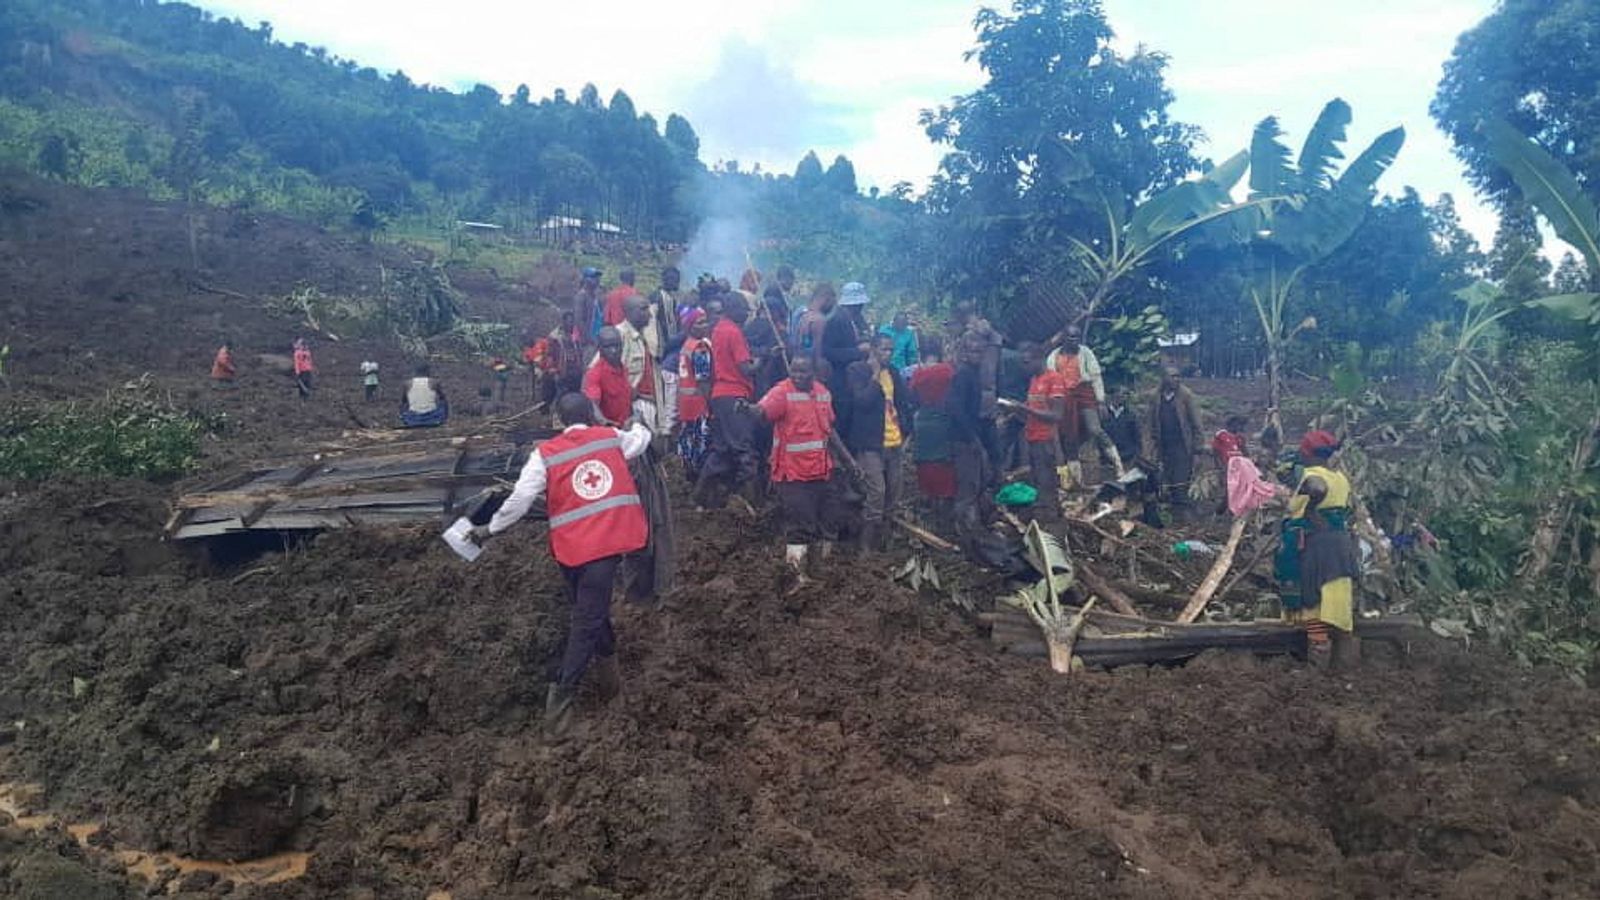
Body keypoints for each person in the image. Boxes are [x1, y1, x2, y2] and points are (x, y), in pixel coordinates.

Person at [472, 392, 651, 736]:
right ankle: (558, 716)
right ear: (593, 413)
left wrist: (490, 529)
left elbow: (521, 499)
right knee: (587, 622)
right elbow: (642, 440)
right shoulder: (610, 438)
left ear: (557, 420)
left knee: (592, 614)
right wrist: (636, 424)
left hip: (570, 551)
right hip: (604, 549)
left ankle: (611, 686)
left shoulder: (545, 454)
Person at [1275, 430, 1361, 667]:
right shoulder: (1340, 477)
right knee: (1337, 603)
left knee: (1312, 602)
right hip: (1339, 545)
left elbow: (1316, 488)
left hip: (1315, 546)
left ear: (1306, 452)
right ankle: (1346, 665)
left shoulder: (1310, 474)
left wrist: (1311, 508)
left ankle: (1317, 669)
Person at [757, 356, 841, 585]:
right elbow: (762, 412)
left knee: (829, 519)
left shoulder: (823, 392)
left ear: (813, 372)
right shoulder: (781, 392)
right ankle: (796, 576)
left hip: (821, 470)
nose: (798, 376)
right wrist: (749, 410)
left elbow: (829, 429)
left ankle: (821, 569)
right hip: (791, 473)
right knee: (800, 524)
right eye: (794, 371)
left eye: (803, 372)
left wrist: (848, 461)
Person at [843, 334, 912, 550]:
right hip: (870, 443)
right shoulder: (857, 370)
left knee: (894, 492)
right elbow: (862, 402)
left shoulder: (893, 373)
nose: (888, 354)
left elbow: (902, 403)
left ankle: (885, 541)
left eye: (891, 350)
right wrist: (874, 375)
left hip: (894, 441)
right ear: (873, 349)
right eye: (883, 349)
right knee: (877, 492)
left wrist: (907, 432)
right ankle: (865, 545)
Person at [694, 292, 758, 509]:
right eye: (744, 309)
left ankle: (701, 496)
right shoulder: (734, 331)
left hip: (720, 395)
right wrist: (765, 358)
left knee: (721, 449)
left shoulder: (719, 329)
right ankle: (749, 500)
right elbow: (745, 368)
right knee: (744, 449)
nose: (747, 313)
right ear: (733, 309)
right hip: (734, 395)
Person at [1046, 325, 1121, 484]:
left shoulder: (1086, 353)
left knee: (1094, 428)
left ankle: (1118, 465)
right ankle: (1077, 480)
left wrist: (1100, 401)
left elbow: (1095, 376)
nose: (1074, 341)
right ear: (1064, 339)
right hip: (1064, 397)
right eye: (1071, 337)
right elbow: (1050, 380)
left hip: (1084, 392)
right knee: (1069, 436)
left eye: (1077, 337)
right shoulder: (1053, 356)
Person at [909, 337, 957, 528]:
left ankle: (929, 504)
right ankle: (944, 512)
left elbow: (912, 397)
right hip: (942, 421)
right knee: (943, 463)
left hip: (922, 422)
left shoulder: (918, 374)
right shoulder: (947, 371)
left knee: (925, 462)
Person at [1018, 341, 1067, 519]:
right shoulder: (1034, 380)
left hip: (1046, 438)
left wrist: (1027, 410)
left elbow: (1056, 415)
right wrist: (1017, 409)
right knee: (1037, 478)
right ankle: (1044, 511)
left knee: (1047, 479)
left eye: (1027, 362)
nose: (1025, 366)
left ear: (1039, 360)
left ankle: (1051, 516)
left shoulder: (1054, 379)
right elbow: (1034, 406)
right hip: (1032, 436)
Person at [1149, 367, 1206, 512]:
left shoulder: (1186, 395)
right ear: (1163, 378)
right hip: (1164, 445)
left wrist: (1198, 449)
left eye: (1177, 376)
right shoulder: (1155, 396)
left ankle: (1184, 511)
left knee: (1181, 479)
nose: (1176, 379)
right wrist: (1152, 446)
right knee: (1166, 477)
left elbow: (1196, 423)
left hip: (1182, 444)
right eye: (1172, 376)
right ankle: (1173, 509)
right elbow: (1151, 423)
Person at [617, 294, 669, 434]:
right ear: (630, 312)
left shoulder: (646, 336)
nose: (649, 314)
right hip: (633, 405)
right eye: (644, 309)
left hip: (651, 403)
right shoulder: (619, 336)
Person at [675, 309, 714, 478]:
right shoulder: (700, 348)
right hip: (698, 401)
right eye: (699, 323)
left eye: (705, 321)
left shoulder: (687, 344)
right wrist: (710, 404)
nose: (704, 326)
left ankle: (687, 472)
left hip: (685, 402)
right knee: (700, 440)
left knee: (687, 438)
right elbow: (703, 379)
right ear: (690, 326)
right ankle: (696, 476)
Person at [822, 282, 872, 391]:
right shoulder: (835, 320)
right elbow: (827, 352)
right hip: (839, 377)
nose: (859, 308)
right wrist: (857, 351)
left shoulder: (858, 319)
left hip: (855, 376)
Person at [583, 326, 634, 426]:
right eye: (608, 347)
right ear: (600, 348)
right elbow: (593, 404)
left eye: (616, 346)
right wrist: (605, 422)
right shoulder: (595, 374)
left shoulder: (623, 370)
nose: (614, 351)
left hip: (626, 430)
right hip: (609, 432)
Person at [794, 282, 837, 368]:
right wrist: (818, 366)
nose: (832, 306)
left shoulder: (800, 315)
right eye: (832, 302)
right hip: (811, 366)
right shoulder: (819, 320)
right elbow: (817, 348)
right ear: (826, 299)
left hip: (798, 362)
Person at [400, 363, 449, 427]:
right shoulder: (434, 382)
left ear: (415, 372)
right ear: (428, 371)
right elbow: (443, 398)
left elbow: (404, 401)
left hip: (412, 418)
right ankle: (438, 420)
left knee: (403, 405)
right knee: (443, 402)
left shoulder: (408, 383)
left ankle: (408, 420)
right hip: (432, 417)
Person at [572, 267, 603, 346]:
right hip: (584, 340)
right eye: (593, 277)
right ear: (586, 280)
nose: (597, 280)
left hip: (595, 337)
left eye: (597, 278)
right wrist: (588, 338)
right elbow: (579, 320)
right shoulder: (581, 296)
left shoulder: (594, 296)